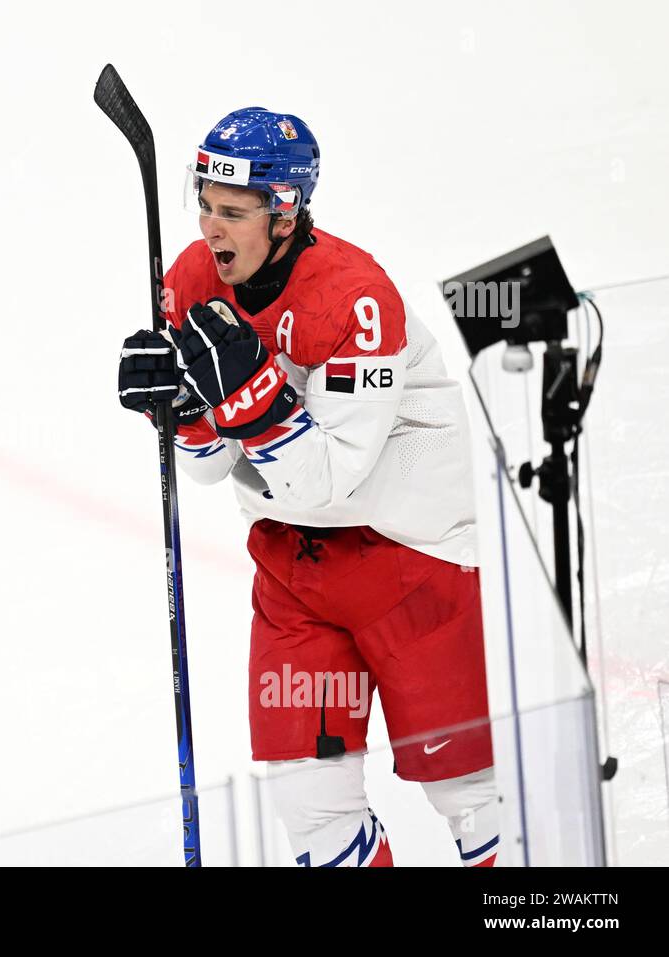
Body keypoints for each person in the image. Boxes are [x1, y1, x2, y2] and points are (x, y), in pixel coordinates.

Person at [117, 108, 498, 867]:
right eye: (204, 205)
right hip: (297, 572)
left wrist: (250, 396)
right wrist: (185, 412)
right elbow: (209, 468)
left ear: (284, 211)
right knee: (313, 811)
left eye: (232, 211)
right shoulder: (190, 282)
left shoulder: (357, 299)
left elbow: (330, 482)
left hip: (411, 562)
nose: (210, 228)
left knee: (477, 799)